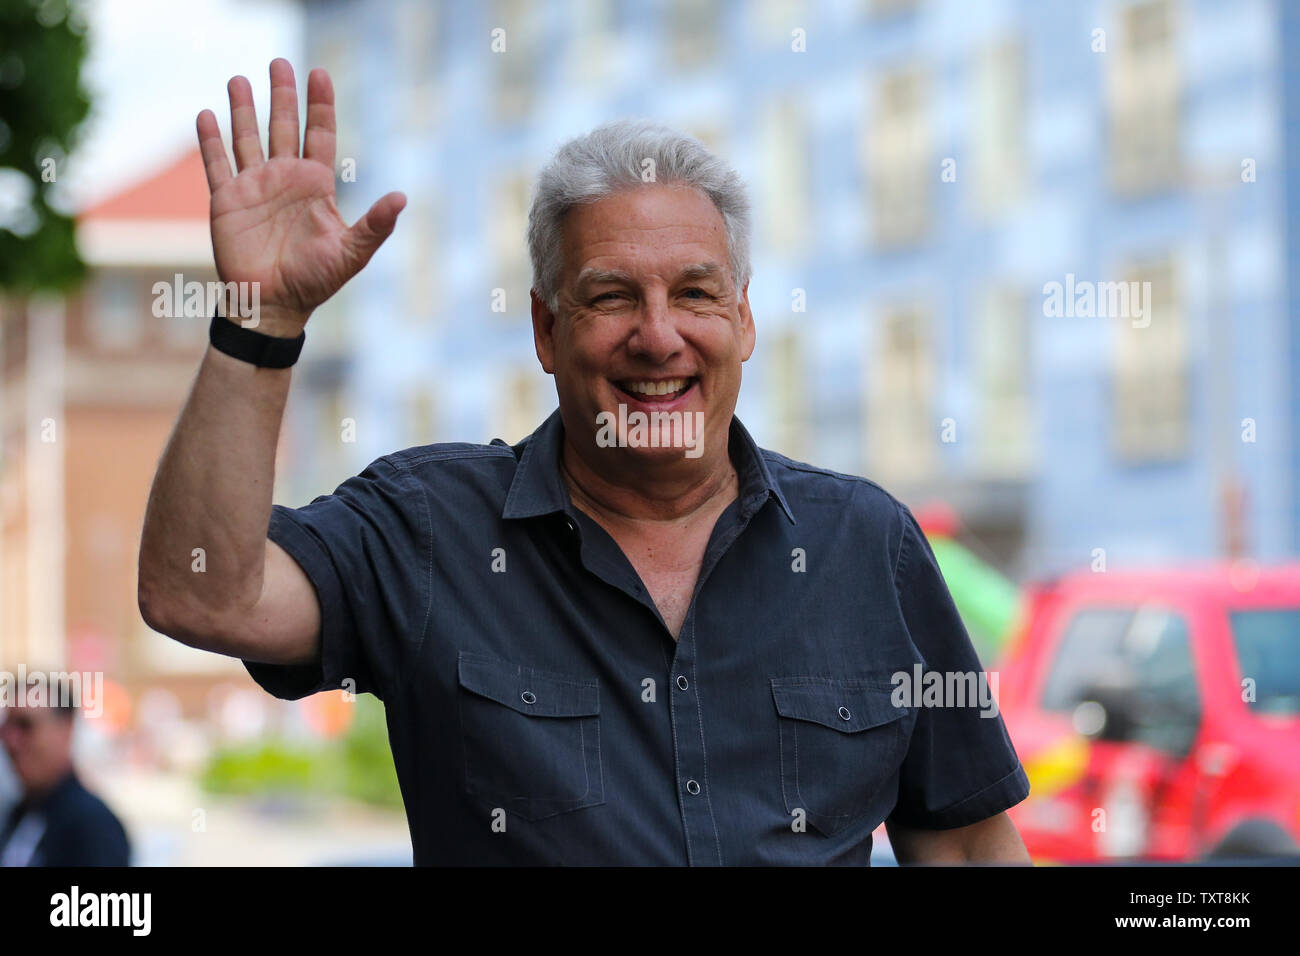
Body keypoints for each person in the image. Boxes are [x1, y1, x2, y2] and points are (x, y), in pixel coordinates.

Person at [139, 59, 1032, 865]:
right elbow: (199, 593)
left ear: (744, 320)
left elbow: (963, 844)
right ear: (546, 330)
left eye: (694, 293)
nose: (658, 336)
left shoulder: (865, 544)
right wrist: (262, 321)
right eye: (611, 297)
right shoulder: (426, 530)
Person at [0, 680, 130, 866]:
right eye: (6, 728)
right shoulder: (20, 813)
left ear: (66, 729)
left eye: (25, 725)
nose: (12, 741)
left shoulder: (92, 825)